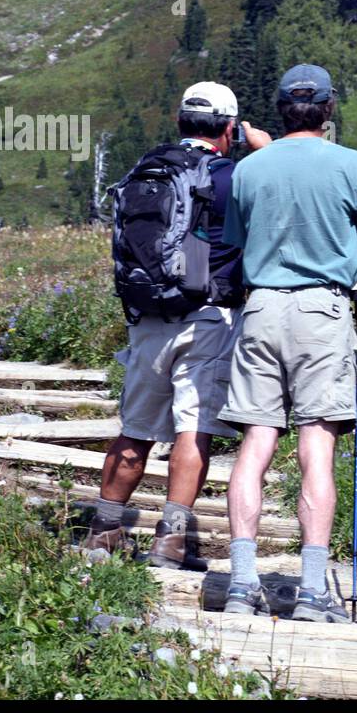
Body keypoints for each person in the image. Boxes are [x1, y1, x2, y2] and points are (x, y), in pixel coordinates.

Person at [219, 64, 357, 622]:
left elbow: (234, 243)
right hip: (324, 309)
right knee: (316, 448)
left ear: (279, 109)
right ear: (328, 108)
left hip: (261, 308)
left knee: (255, 445)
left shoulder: (249, 169)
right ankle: (313, 591)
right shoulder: (351, 164)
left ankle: (242, 585)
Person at [80, 83, 270, 569]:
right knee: (194, 427)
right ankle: (170, 541)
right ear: (230, 128)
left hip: (148, 318)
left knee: (137, 427)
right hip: (209, 316)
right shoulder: (235, 176)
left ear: (180, 122)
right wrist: (262, 152)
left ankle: (103, 531)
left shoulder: (149, 168)